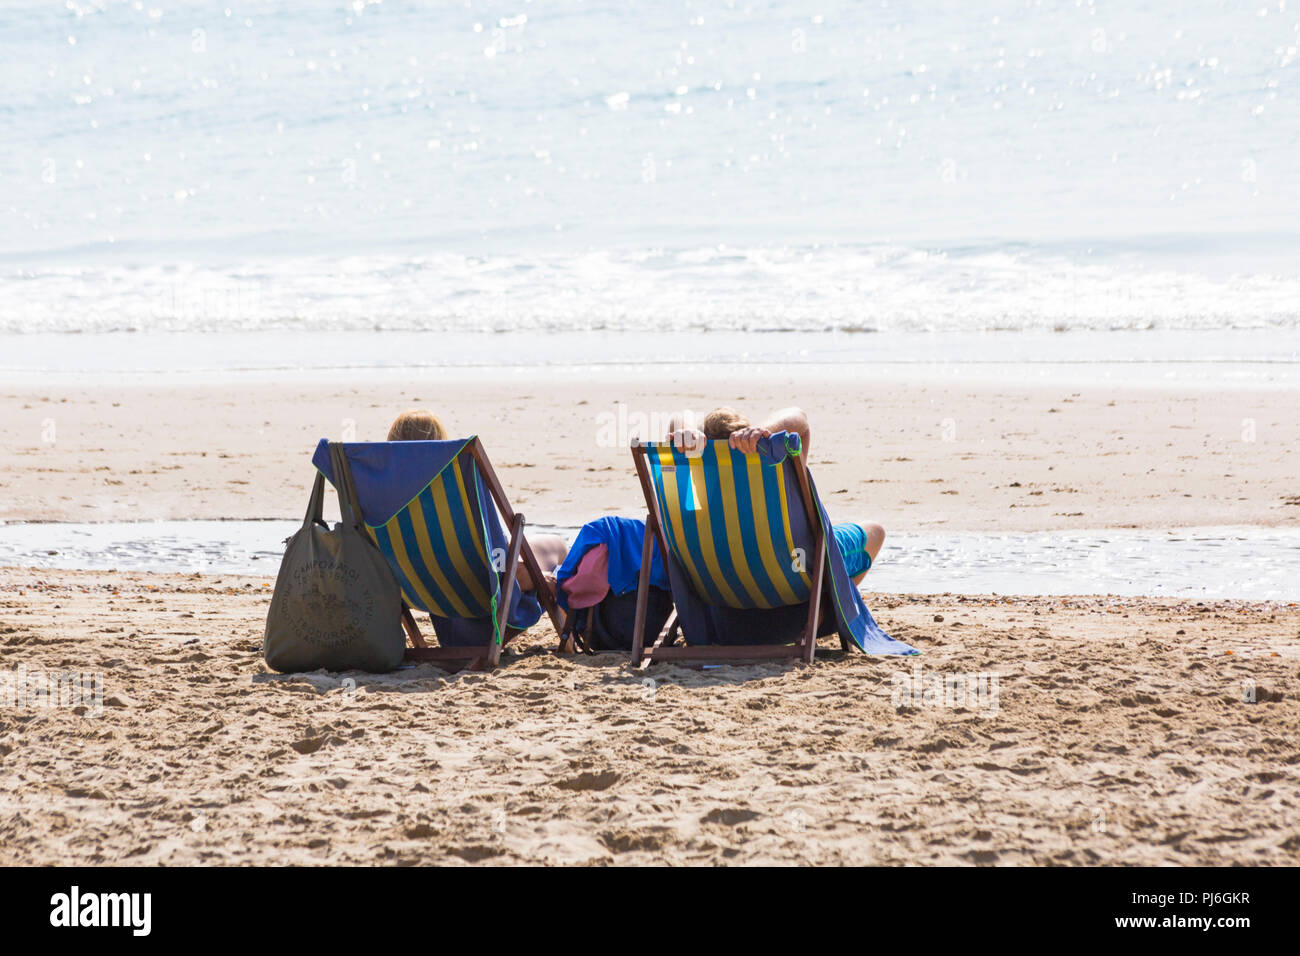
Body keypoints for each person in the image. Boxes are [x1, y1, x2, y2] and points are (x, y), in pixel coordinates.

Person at [666, 405, 884, 584]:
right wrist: (762, 430)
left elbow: (677, 416)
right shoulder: (773, 466)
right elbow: (800, 418)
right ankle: (823, 614)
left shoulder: (696, 479)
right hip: (792, 577)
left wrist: (686, 434)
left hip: (722, 587)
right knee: (875, 531)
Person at [386, 409, 568, 590]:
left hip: (416, 588)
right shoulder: (454, 485)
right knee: (557, 545)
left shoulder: (377, 494)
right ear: (440, 443)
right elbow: (493, 550)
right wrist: (526, 570)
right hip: (479, 587)